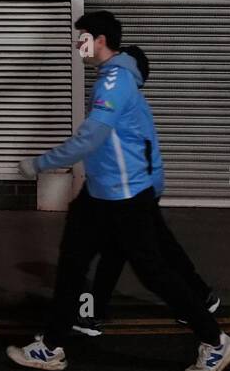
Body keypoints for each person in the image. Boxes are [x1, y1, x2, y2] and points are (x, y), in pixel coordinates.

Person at [7, 10, 230, 371]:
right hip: (100, 195)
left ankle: (215, 341)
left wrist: (39, 163)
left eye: (82, 37)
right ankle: (51, 347)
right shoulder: (114, 78)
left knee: (153, 272)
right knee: (71, 265)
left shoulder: (115, 81)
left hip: (124, 198)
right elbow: (138, 138)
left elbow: (90, 139)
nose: (77, 44)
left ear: (100, 40)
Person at [71, 45, 220, 338]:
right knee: (145, 249)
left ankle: (200, 305)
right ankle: (201, 298)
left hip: (135, 191)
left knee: (139, 255)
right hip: (137, 189)